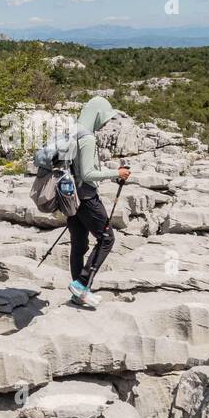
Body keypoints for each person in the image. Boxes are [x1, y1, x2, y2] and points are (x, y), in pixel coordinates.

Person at [66, 96, 130, 308]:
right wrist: (117, 173)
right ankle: (82, 283)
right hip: (86, 197)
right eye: (103, 119)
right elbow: (88, 173)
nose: (103, 124)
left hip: (70, 196)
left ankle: (79, 292)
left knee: (79, 243)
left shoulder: (72, 130)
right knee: (107, 238)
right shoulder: (87, 138)